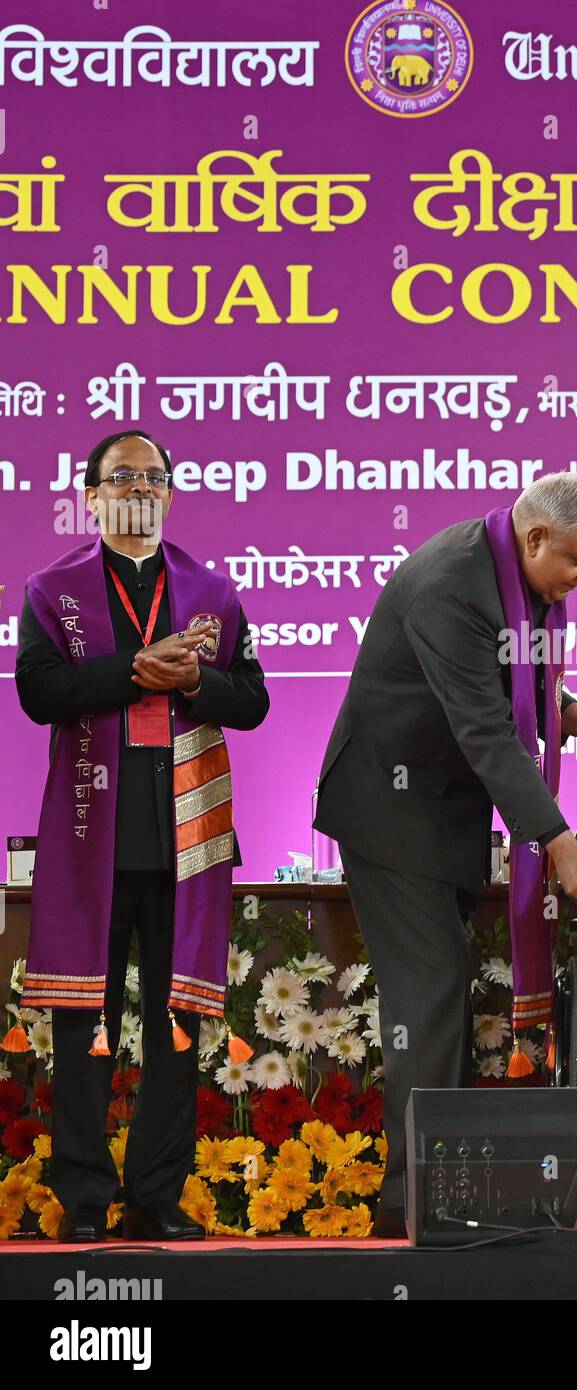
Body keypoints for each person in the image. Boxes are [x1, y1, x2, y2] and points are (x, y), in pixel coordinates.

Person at [313, 472, 577, 1237]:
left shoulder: (507, 574)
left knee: (441, 995)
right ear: (533, 539)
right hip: (391, 814)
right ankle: (412, 1206)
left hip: (444, 816)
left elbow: (511, 685)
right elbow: (485, 726)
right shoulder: (452, 587)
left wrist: (576, 716)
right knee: (429, 996)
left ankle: (442, 1191)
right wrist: (557, 840)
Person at [8, 430, 269, 1243]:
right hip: (92, 836)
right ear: (91, 495)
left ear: (169, 492)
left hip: (184, 839)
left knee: (174, 1028)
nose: (140, 488)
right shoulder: (53, 591)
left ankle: (158, 1193)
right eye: (123, 476)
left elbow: (252, 701)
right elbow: (41, 694)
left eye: (153, 477)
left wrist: (196, 678)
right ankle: (83, 1197)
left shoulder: (213, 594)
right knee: (84, 1026)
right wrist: (133, 668)